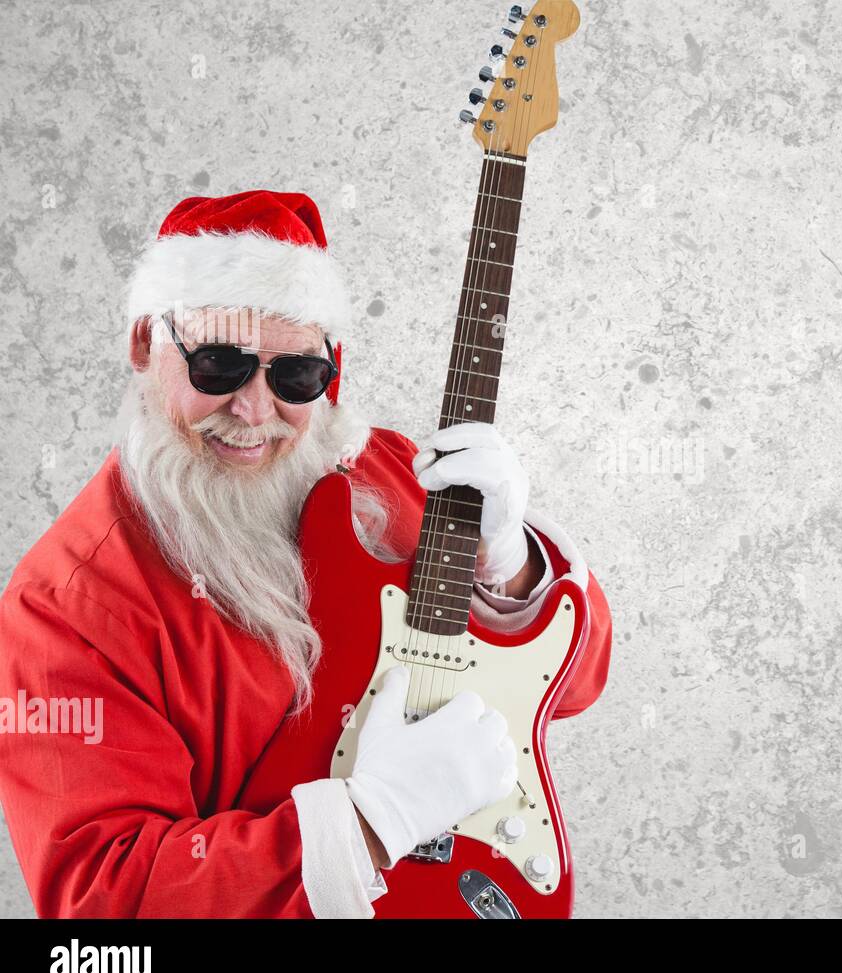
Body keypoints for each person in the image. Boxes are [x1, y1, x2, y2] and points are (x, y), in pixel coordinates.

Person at [0, 190, 611, 917]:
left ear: (332, 368)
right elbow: (105, 907)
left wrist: (508, 563)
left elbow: (571, 687)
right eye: (218, 365)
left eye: (295, 376)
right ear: (143, 344)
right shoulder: (65, 609)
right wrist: (370, 822)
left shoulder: (390, 471)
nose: (254, 411)